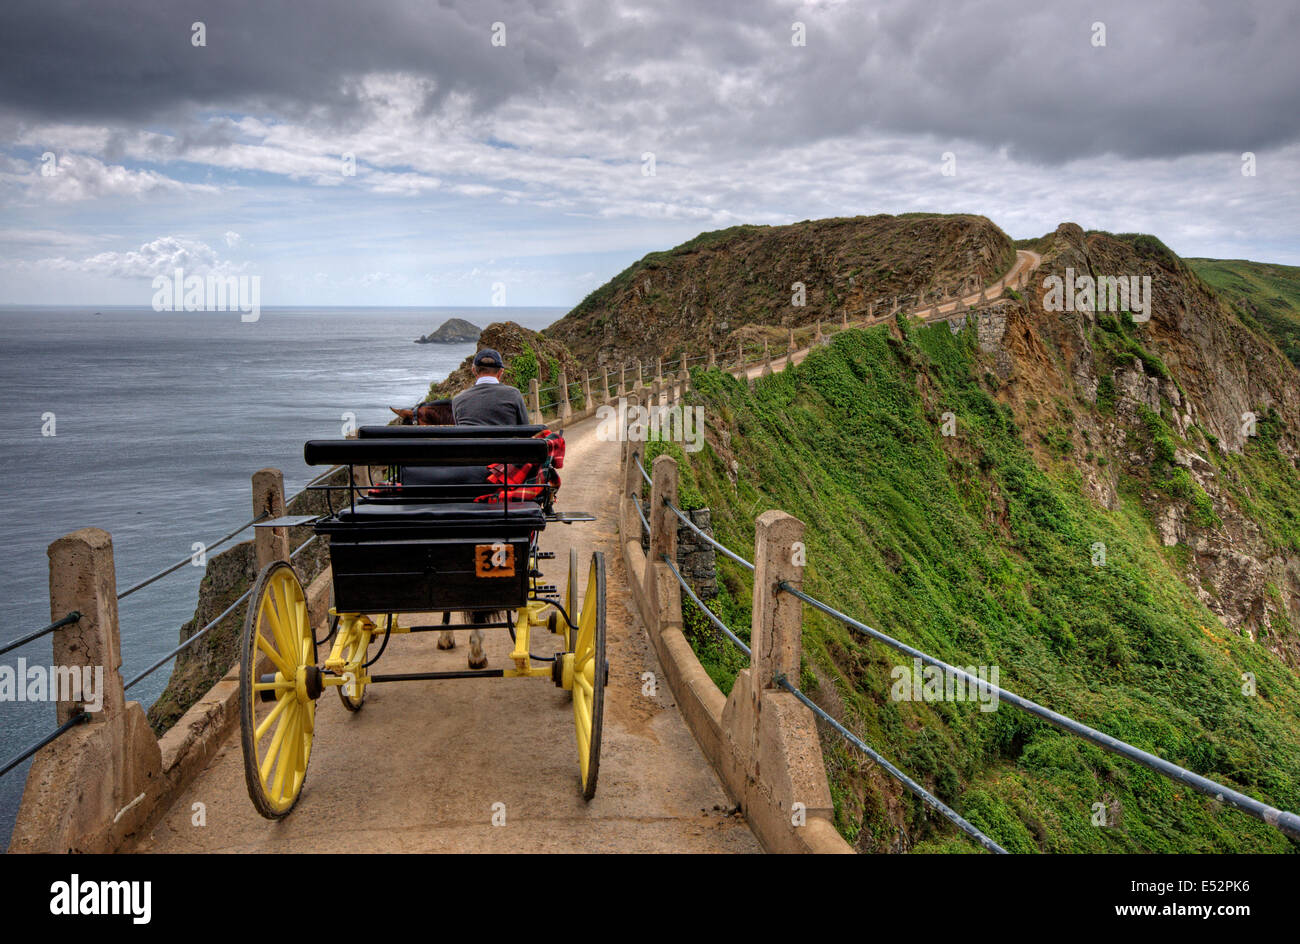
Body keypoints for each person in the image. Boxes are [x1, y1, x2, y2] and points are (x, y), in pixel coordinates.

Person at [451, 348, 529, 426]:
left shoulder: (458, 400)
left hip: (471, 438)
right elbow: (525, 429)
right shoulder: (513, 394)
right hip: (504, 438)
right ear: (501, 372)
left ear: (474, 371)